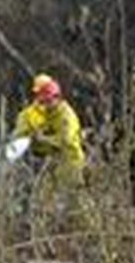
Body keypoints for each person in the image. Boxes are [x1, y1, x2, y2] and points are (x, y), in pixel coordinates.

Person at [13, 73, 86, 232]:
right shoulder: (36, 114)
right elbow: (22, 133)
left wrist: (42, 139)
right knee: (44, 198)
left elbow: (65, 140)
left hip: (70, 161)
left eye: (47, 99)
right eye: (41, 99)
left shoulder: (65, 114)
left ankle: (79, 228)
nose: (44, 103)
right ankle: (46, 229)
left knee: (72, 197)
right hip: (50, 162)